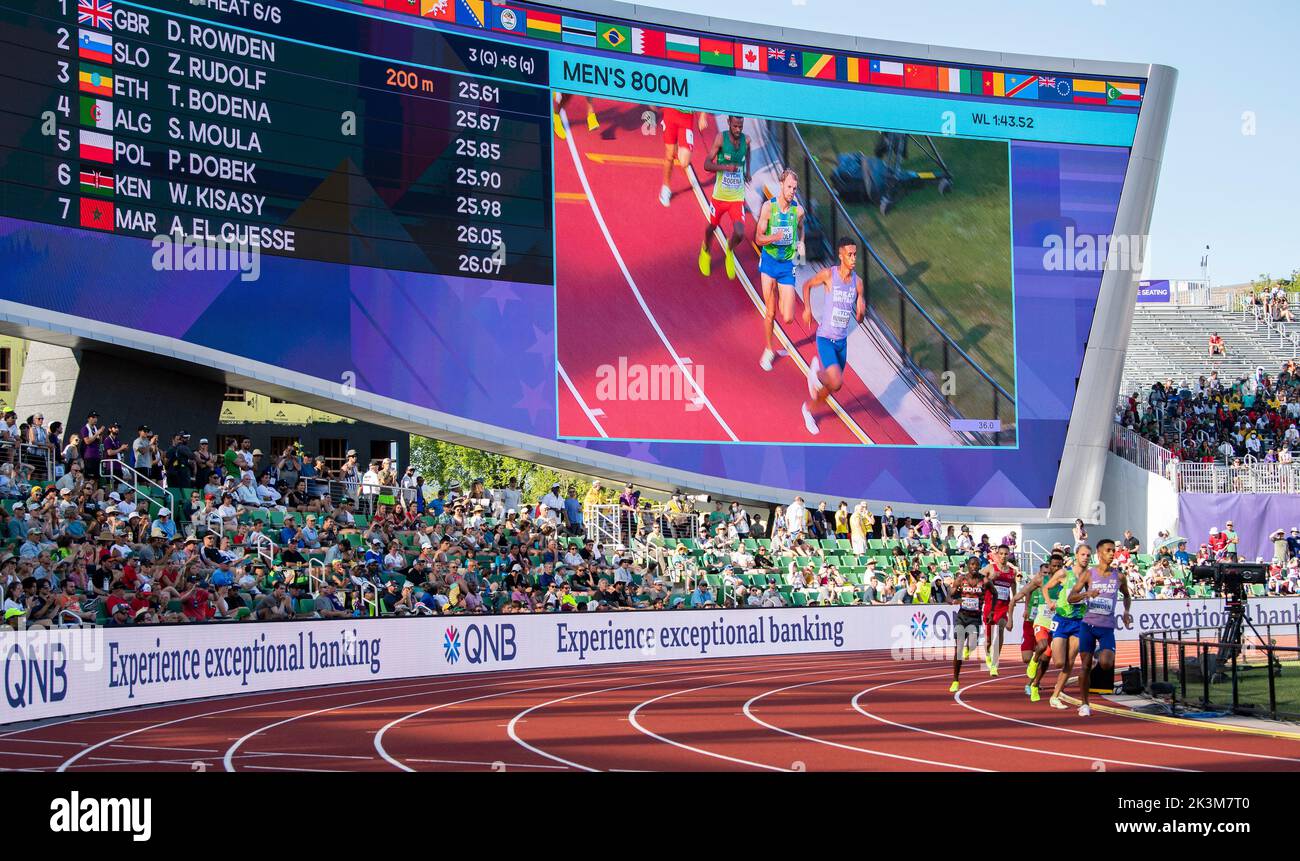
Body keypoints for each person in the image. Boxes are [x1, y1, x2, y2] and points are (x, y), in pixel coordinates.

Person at [800, 236, 866, 434]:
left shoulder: (858, 283)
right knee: (836, 380)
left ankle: (808, 410)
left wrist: (861, 312)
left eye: (855, 254)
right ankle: (816, 374)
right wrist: (807, 309)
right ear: (840, 256)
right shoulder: (829, 275)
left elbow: (860, 316)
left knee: (833, 388)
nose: (853, 258)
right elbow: (807, 285)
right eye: (849, 255)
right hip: (826, 338)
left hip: (841, 342)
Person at [1067, 538, 1132, 717]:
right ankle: (1085, 703)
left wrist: (1126, 611)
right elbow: (1071, 597)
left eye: (1113, 551)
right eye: (1108, 550)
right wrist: (1087, 593)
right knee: (1085, 667)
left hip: (1106, 628)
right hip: (1088, 626)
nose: (1112, 553)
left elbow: (1127, 595)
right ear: (1099, 553)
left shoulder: (1119, 576)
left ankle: (1098, 657)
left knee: (1106, 663)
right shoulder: (1089, 574)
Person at [755, 168, 805, 372]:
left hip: (786, 266)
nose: (792, 191)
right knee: (771, 312)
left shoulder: (798, 211)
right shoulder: (769, 208)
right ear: (781, 185)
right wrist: (773, 238)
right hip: (769, 263)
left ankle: (778, 290)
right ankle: (768, 349)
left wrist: (800, 246)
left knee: (788, 317)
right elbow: (758, 238)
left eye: (795, 188)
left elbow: (801, 228)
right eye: (789, 187)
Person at [698, 115, 750, 280]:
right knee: (711, 227)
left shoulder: (746, 141)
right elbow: (707, 164)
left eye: (740, 126)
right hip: (719, 197)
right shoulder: (721, 139)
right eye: (735, 126)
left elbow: (747, 155)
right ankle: (705, 249)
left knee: (740, 233)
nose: (737, 130)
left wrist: (747, 171)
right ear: (728, 123)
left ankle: (730, 248)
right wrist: (725, 167)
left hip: (736, 198)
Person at [1013, 553, 1065, 703]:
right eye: (1053, 565)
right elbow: (1025, 590)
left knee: (1047, 658)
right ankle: (1033, 661)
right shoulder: (1041, 579)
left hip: (1056, 624)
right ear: (1049, 565)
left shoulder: (1066, 581)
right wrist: (1015, 600)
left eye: (1059, 566)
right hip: (1041, 621)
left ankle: (1035, 684)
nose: (1056, 568)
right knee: (1041, 646)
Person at [1047, 544, 1091, 710]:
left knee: (1070, 662)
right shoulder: (1064, 573)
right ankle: (1054, 643)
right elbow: (1046, 587)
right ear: (1076, 555)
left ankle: (1055, 696)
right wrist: (1051, 602)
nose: (1085, 557)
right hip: (1062, 619)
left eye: (1088, 555)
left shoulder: (1088, 576)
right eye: (1083, 554)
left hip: (1078, 622)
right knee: (1059, 662)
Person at [979, 544, 1017, 676]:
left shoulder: (1012, 572)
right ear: (997, 554)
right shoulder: (991, 567)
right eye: (1001, 554)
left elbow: (1014, 589)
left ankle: (995, 663)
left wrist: (1014, 601)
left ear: (1009, 555)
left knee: (1000, 632)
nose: (1003, 556)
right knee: (988, 640)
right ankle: (988, 655)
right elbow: (978, 580)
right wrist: (989, 580)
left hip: (1003, 608)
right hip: (990, 607)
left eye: (1006, 554)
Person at [657, 107, 707, 207]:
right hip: (671, 114)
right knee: (670, 154)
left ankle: (680, 143)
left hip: (686, 119)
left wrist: (703, 115)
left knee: (684, 162)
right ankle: (666, 187)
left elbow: (704, 94)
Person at [949, 556, 985, 693]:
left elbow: (994, 593)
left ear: (979, 566)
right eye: (972, 564)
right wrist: (954, 600)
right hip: (962, 617)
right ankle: (955, 680)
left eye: (977, 565)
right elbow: (950, 595)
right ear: (968, 566)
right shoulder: (960, 579)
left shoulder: (984, 580)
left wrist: (992, 610)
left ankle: (968, 649)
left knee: (973, 644)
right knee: (957, 651)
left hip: (975, 618)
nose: (974, 567)